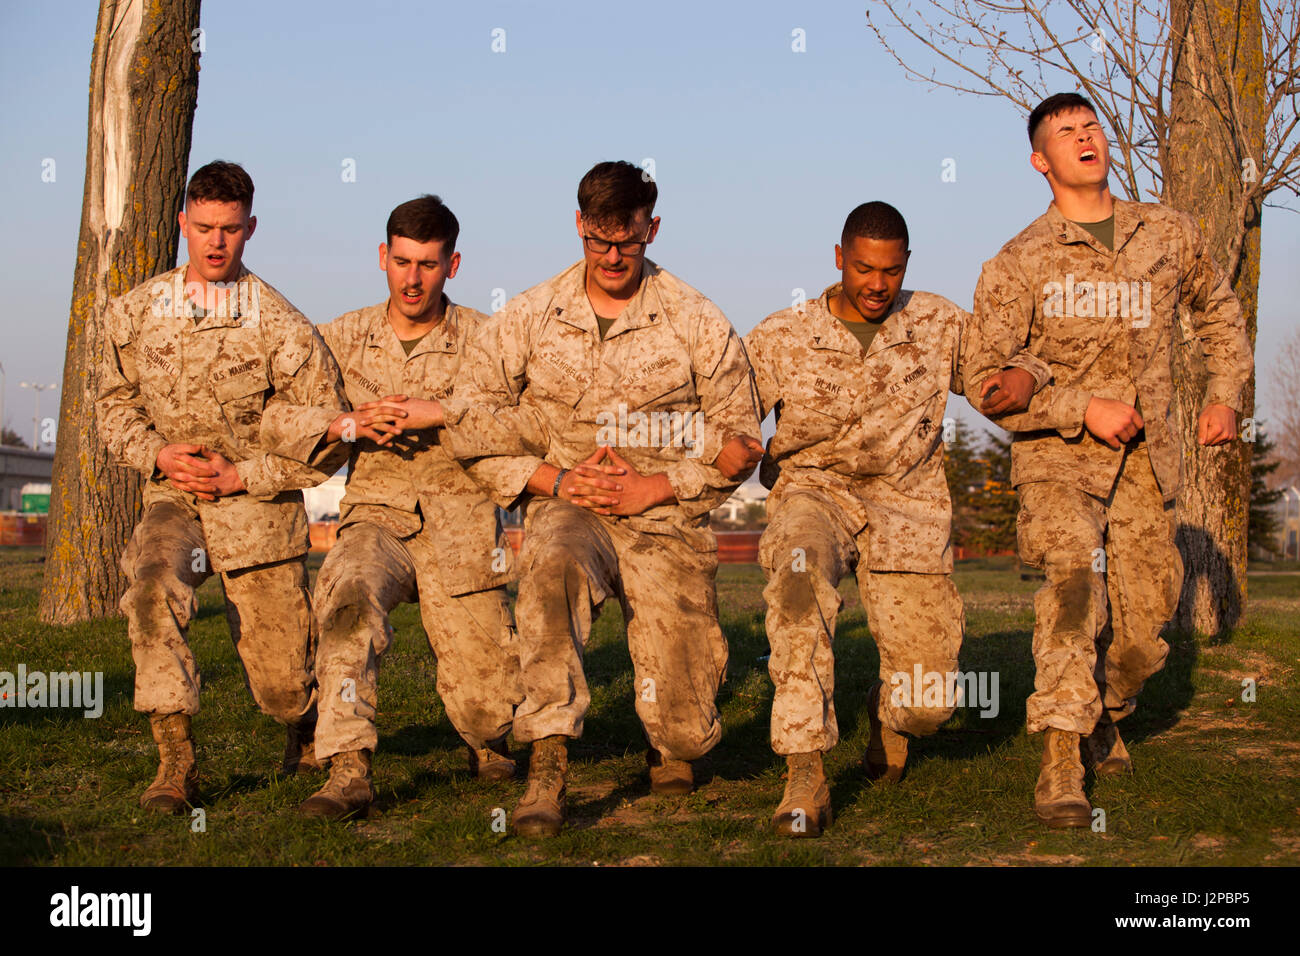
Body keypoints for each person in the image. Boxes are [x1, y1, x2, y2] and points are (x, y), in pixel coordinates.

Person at [439, 161, 763, 837]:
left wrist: (662, 484)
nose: (614, 257)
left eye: (630, 240)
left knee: (689, 738)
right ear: (578, 226)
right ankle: (548, 765)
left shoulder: (696, 318)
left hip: (664, 513)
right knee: (549, 572)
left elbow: (741, 440)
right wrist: (551, 480)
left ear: (653, 227)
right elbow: (467, 418)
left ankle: (668, 739)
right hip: (571, 504)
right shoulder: (529, 316)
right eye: (599, 241)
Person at [966, 92, 1253, 827]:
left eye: (1090, 125)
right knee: (1072, 595)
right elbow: (985, 386)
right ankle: (1061, 760)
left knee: (1144, 632)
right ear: (1041, 161)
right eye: (1065, 133)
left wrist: (1224, 394)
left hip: (1150, 465)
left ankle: (1103, 709)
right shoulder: (1017, 263)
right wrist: (1077, 407)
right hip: (1061, 464)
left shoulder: (1168, 231)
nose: (1084, 137)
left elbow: (1218, 313)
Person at [744, 201, 1050, 837]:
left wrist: (1030, 372)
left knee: (929, 707)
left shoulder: (940, 322)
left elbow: (1000, 377)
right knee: (798, 590)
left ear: (905, 264)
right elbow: (729, 411)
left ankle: (892, 717)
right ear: (838, 259)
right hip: (813, 491)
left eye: (889, 270)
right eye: (862, 268)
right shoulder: (781, 335)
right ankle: (805, 770)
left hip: (907, 505)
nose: (876, 284)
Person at [97, 160, 348, 812]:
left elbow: (331, 437)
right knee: (152, 590)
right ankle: (176, 765)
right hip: (174, 498)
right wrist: (155, 451)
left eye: (230, 230)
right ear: (183, 222)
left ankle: (305, 721)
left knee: (281, 683)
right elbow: (112, 407)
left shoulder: (283, 327)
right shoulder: (138, 312)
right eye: (204, 227)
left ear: (250, 228)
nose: (215, 242)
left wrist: (248, 473)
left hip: (256, 509)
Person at [296, 195, 524, 820]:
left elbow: (527, 425)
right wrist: (347, 424)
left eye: (428, 264)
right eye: (401, 262)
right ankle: (345, 769)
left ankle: (487, 737)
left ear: (452, 265)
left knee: (489, 712)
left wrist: (444, 413)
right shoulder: (338, 338)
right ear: (382, 257)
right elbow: (289, 414)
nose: (412, 278)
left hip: (463, 526)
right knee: (346, 599)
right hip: (378, 514)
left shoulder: (490, 339)